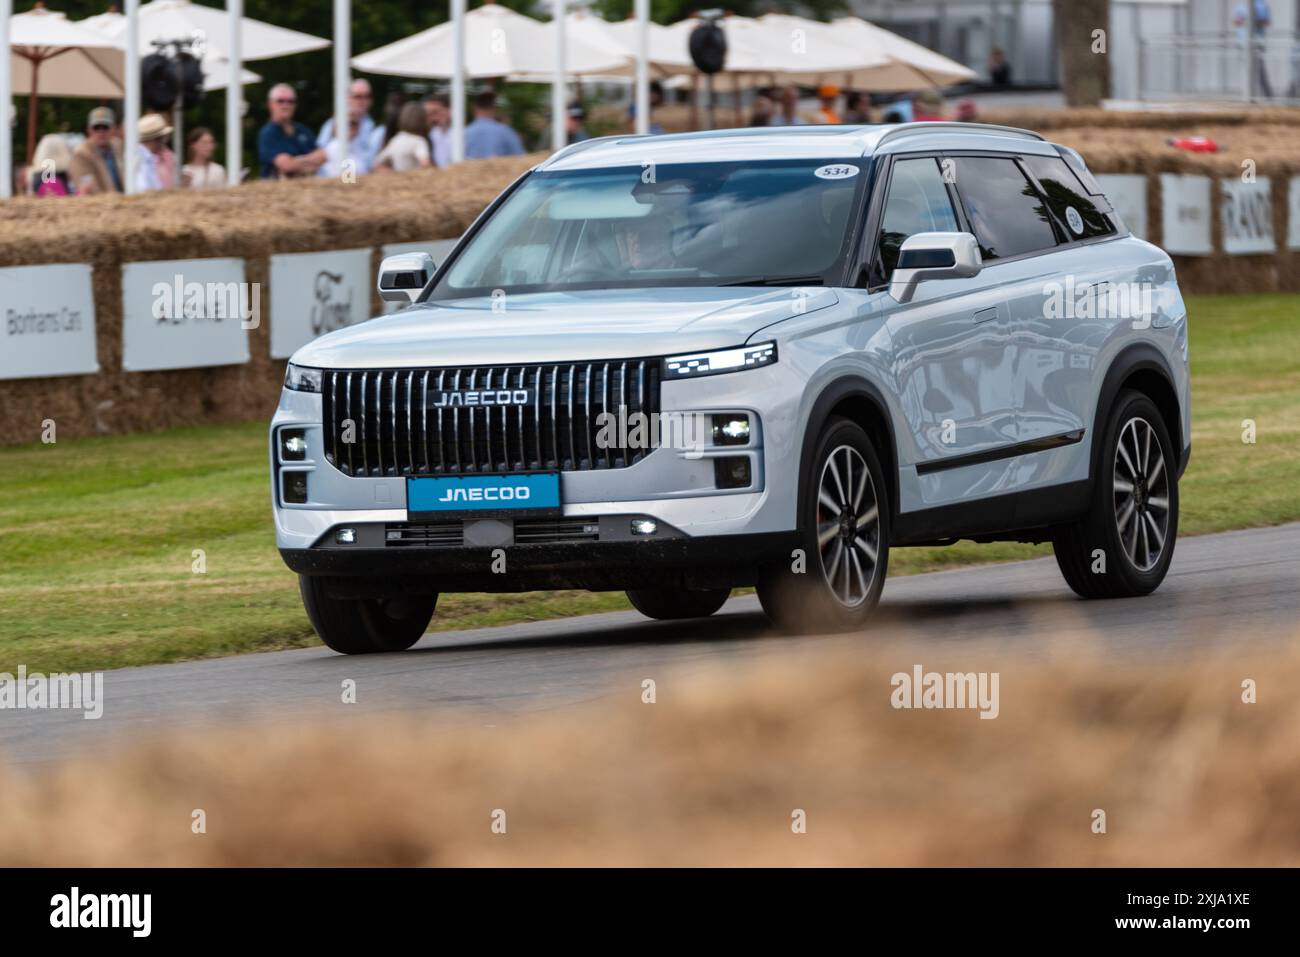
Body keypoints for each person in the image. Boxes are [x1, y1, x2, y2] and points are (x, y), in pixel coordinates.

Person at [258, 83, 325, 179]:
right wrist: (310, 162)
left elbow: (322, 156)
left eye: (291, 101)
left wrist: (296, 161)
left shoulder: (302, 129)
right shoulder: (267, 134)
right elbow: (286, 166)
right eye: (280, 101)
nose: (286, 105)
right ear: (270, 104)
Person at [317, 77, 379, 176]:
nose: (362, 100)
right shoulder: (332, 128)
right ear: (348, 98)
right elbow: (320, 154)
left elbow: (373, 161)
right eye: (358, 96)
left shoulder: (373, 128)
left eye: (367, 96)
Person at [69, 106, 124, 195]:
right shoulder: (81, 154)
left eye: (105, 127)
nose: (101, 132)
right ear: (89, 130)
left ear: (113, 129)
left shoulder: (118, 146)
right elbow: (91, 190)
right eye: (96, 128)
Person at [465, 91, 524, 159]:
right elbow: (521, 159)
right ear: (494, 107)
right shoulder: (506, 132)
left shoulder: (462, 134)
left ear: (474, 107)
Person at [375, 102, 432, 172]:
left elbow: (377, 163)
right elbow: (425, 164)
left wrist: (394, 173)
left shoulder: (396, 140)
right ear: (422, 120)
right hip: (416, 180)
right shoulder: (419, 141)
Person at [1233, 0, 1272, 98]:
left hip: (1257, 42)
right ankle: (1247, 95)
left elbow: (1266, 22)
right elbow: (1236, 21)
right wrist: (1243, 21)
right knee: (1247, 69)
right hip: (1243, 42)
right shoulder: (1241, 4)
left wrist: (1253, 21)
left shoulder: (1262, 4)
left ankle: (1266, 95)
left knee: (1259, 70)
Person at [135, 113, 177, 192]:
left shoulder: (148, 158)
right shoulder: (142, 159)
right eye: (162, 138)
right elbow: (143, 188)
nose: (164, 142)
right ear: (157, 139)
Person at [422, 94, 452, 168]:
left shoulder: (460, 134)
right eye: (427, 114)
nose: (431, 118)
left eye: (435, 112)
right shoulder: (421, 138)